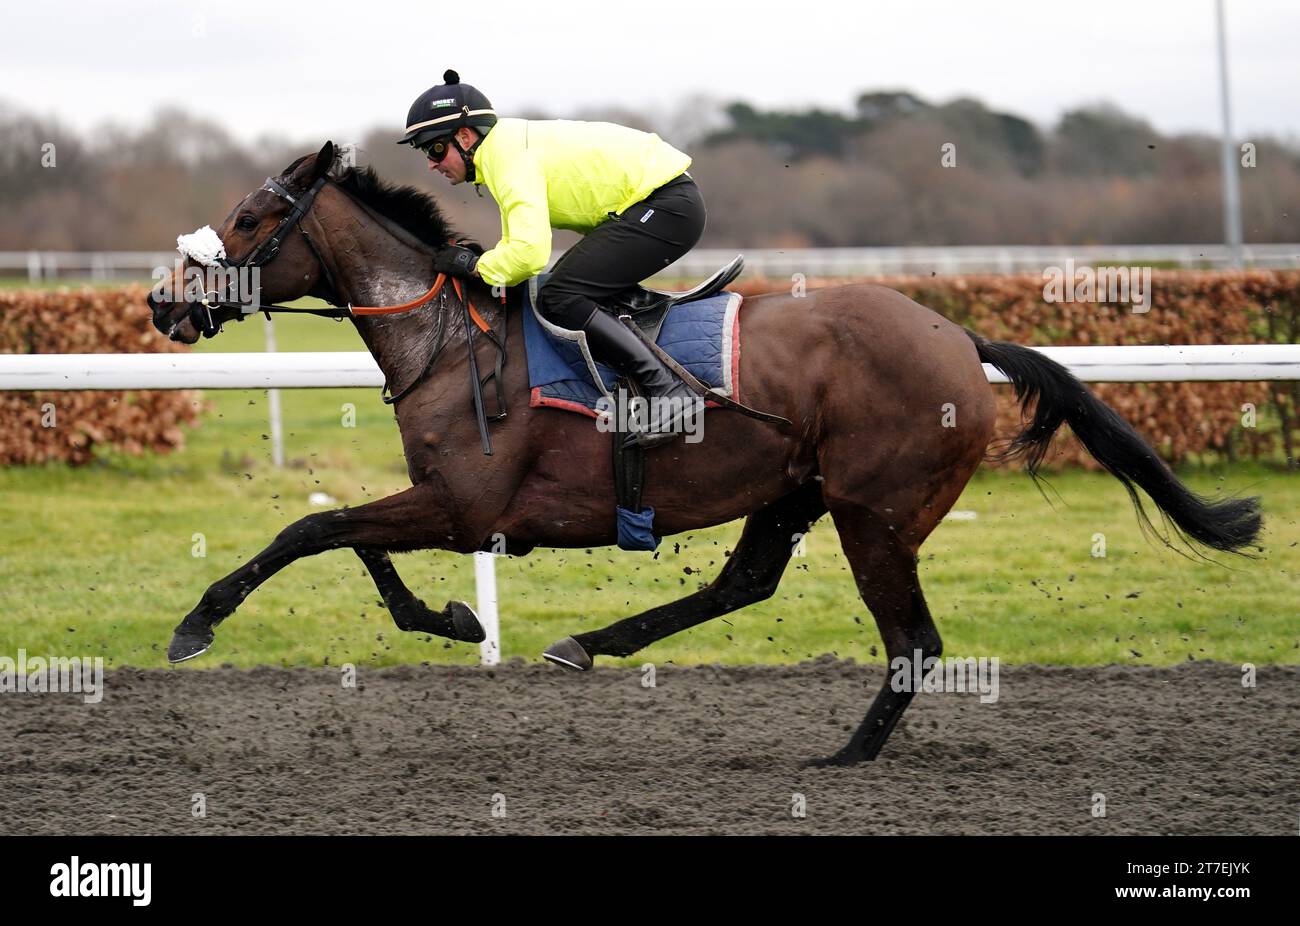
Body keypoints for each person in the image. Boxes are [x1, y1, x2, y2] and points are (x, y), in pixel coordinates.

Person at [398, 70, 705, 448]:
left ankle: (669, 391)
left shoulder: (507, 157)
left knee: (559, 296)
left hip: (666, 206)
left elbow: (528, 253)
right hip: (660, 204)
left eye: (434, 149)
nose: (431, 163)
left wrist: (476, 267)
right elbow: (516, 245)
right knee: (564, 288)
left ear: (465, 136)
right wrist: (488, 265)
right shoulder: (502, 153)